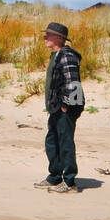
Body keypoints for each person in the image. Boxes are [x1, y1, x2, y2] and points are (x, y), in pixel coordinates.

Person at [35, 22, 84, 193]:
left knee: (65, 143)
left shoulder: (66, 55)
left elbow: (73, 83)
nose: (45, 37)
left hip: (66, 107)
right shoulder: (55, 55)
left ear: (59, 38)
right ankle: (55, 177)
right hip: (56, 107)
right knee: (52, 142)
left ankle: (69, 182)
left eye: (48, 34)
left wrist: (65, 105)